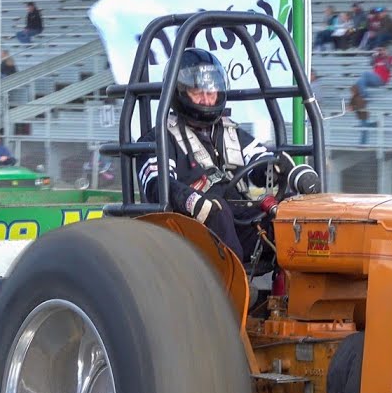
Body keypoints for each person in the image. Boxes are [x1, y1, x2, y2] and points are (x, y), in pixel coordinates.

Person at [134, 48, 319, 268]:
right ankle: (236, 290)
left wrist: (281, 168)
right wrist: (194, 202)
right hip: (187, 231)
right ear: (180, 93)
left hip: (235, 223)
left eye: (211, 92)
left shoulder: (230, 132)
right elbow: (156, 184)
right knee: (217, 209)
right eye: (197, 92)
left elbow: (259, 164)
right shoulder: (159, 138)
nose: (206, 99)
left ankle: (293, 290)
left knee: (289, 208)